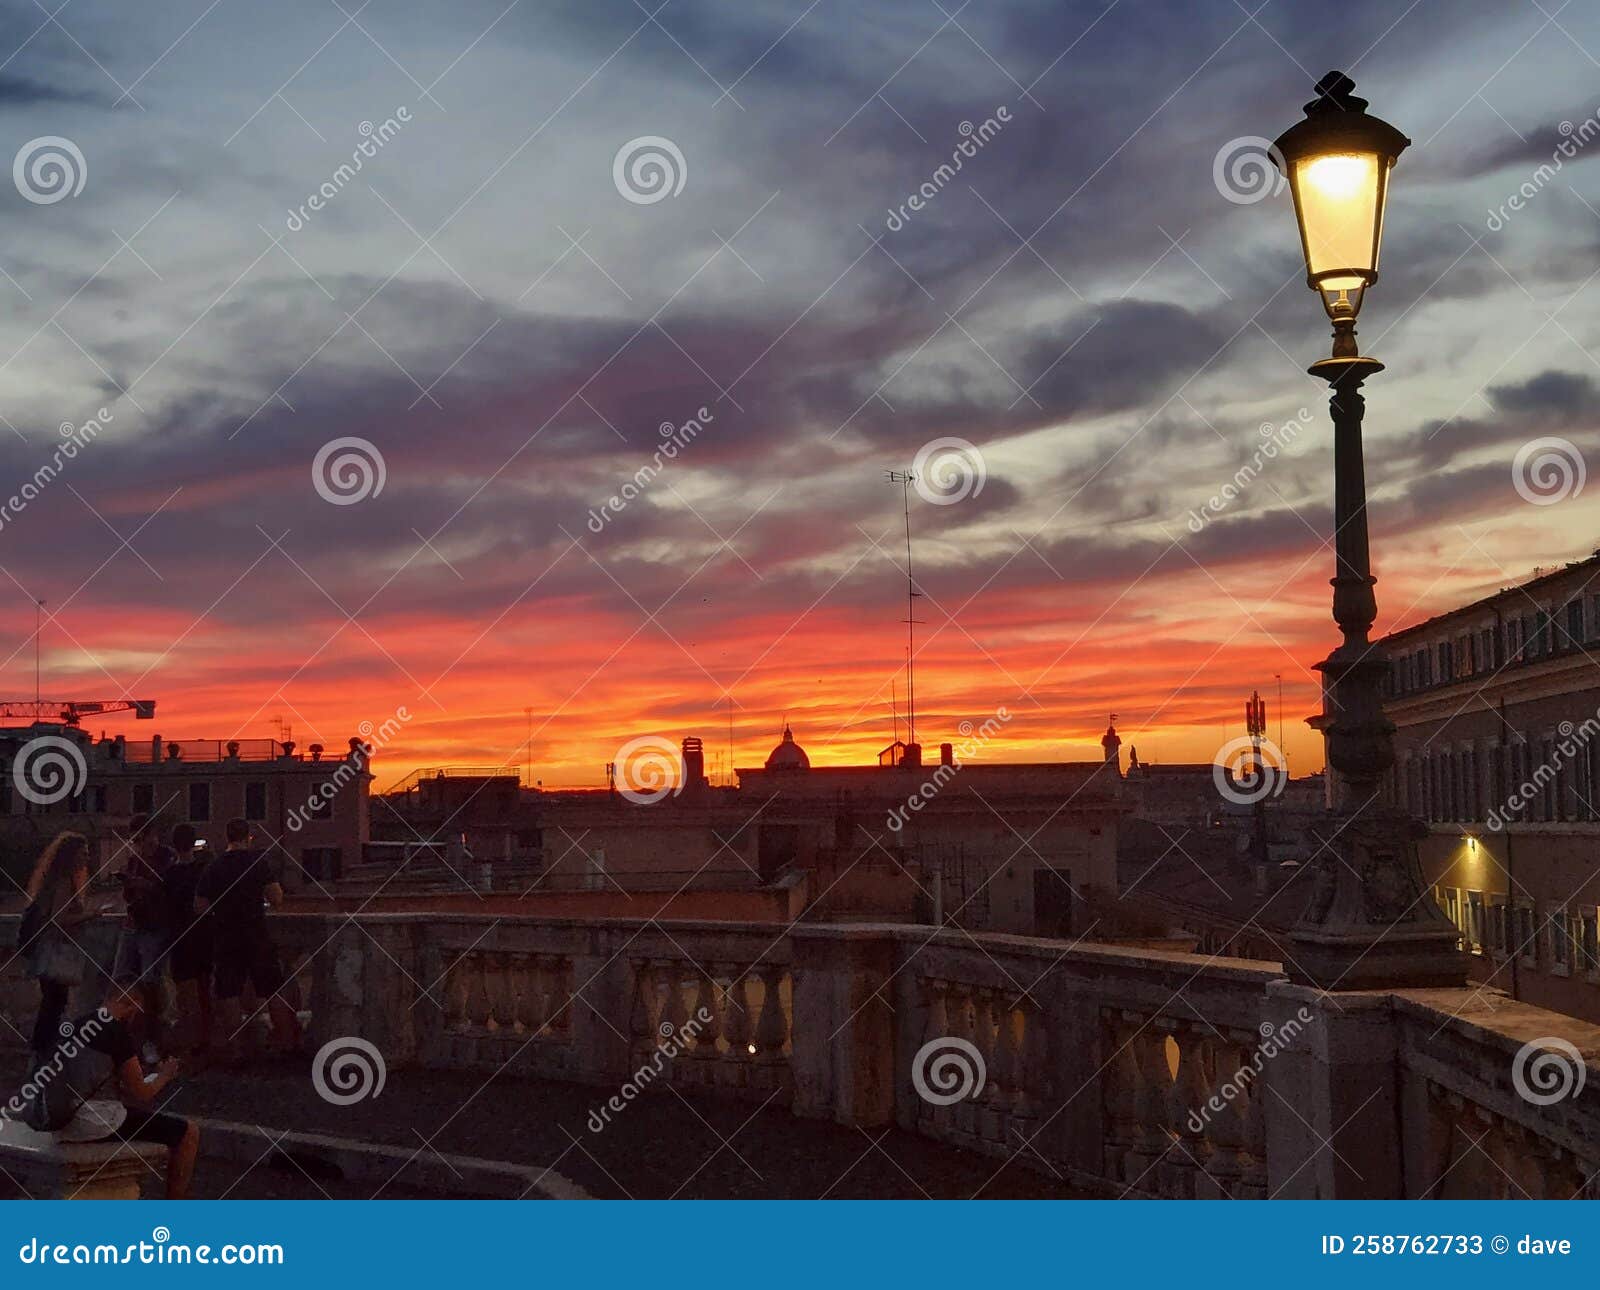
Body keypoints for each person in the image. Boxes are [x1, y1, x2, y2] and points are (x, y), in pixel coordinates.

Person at [18, 984, 199, 1200]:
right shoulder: (115, 1033)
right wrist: (165, 1075)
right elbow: (141, 1093)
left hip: (62, 1122)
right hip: (96, 1124)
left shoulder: (75, 1025)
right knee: (188, 1132)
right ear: (131, 1005)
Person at [196, 819, 298, 1059]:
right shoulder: (257, 862)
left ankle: (236, 1051)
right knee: (273, 989)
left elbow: (199, 906)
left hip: (226, 936)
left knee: (228, 993)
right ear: (248, 837)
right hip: (256, 934)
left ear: (227, 837)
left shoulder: (214, 866)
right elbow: (276, 898)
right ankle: (286, 1044)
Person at [20, 832, 95, 1056]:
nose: (87, 858)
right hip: (54, 949)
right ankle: (43, 1050)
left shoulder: (55, 880)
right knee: (55, 1003)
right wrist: (91, 915)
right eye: (83, 853)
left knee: (53, 1002)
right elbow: (59, 919)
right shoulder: (64, 883)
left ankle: (42, 1049)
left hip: (48, 948)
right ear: (71, 856)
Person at [162, 824, 213, 1056]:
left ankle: (191, 1041)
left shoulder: (169, 874)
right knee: (204, 990)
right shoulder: (204, 871)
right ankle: (205, 1038)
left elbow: (165, 907)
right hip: (203, 936)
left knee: (185, 994)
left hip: (180, 939)